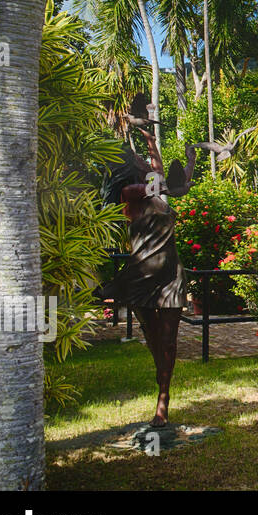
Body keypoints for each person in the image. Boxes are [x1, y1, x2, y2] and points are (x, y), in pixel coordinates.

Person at [96, 119, 196, 428]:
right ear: (131, 168)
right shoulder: (132, 193)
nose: (144, 160)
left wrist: (177, 155)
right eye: (138, 158)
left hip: (170, 277)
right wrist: (158, 154)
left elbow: (171, 183)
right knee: (155, 341)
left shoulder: (155, 196)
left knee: (168, 341)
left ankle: (163, 401)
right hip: (142, 279)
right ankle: (161, 378)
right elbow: (169, 183)